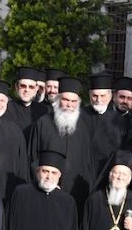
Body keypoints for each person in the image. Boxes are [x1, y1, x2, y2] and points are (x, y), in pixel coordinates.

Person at [28, 76, 96, 205]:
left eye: (73, 101)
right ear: (59, 99)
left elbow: (88, 163)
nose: (69, 105)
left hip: (76, 192)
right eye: (65, 100)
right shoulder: (43, 123)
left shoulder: (83, 127)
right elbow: (33, 157)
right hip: (47, 189)